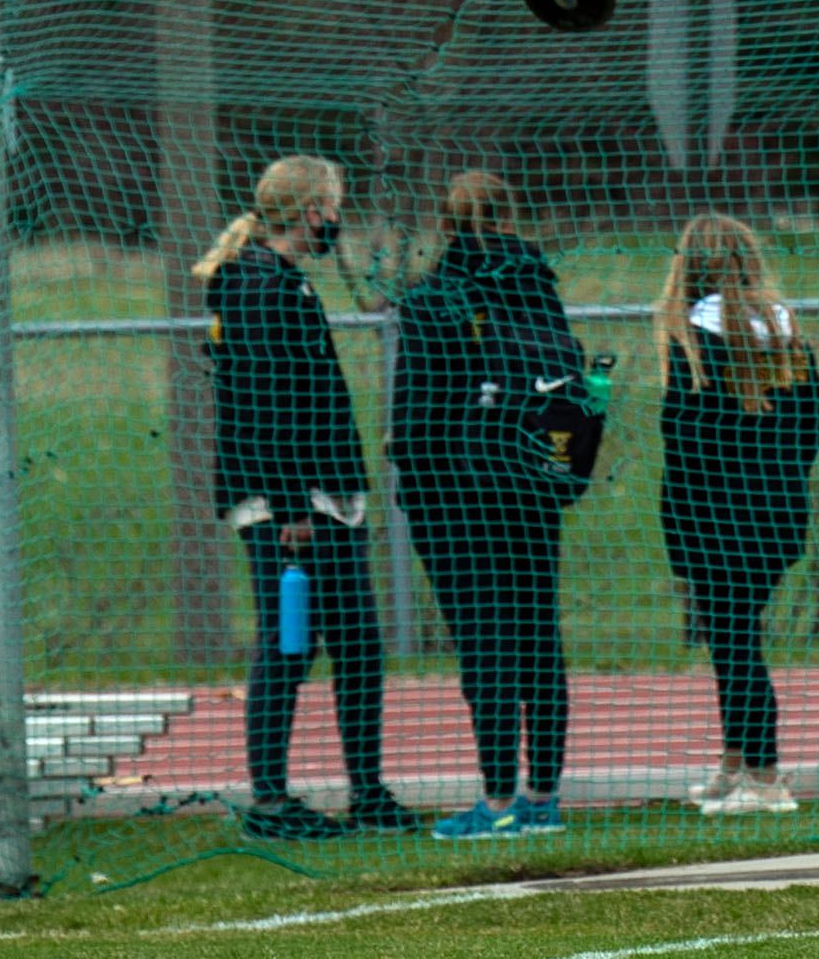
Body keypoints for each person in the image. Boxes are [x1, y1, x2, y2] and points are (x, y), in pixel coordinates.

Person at [194, 154, 420, 840]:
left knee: (357, 645)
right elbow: (266, 405)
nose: (336, 217)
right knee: (288, 643)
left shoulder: (282, 281)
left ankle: (368, 792)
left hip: (325, 495)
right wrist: (292, 505)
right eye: (332, 204)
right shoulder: (258, 284)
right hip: (290, 504)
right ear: (310, 209)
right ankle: (269, 800)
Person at [389, 170, 590, 839]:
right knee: (537, 632)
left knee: (485, 640)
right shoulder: (540, 287)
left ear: (444, 223)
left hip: (457, 497)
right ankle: (543, 794)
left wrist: (411, 484)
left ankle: (497, 795)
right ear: (510, 214)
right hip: (534, 488)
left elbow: (416, 412)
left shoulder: (431, 300)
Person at [655, 214, 819, 815]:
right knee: (735, 638)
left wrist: (680, 529)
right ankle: (737, 762)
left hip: (714, 518)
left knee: (735, 642)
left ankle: (766, 776)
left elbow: (683, 438)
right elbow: (812, 427)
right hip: (778, 513)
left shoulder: (692, 336)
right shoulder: (784, 329)